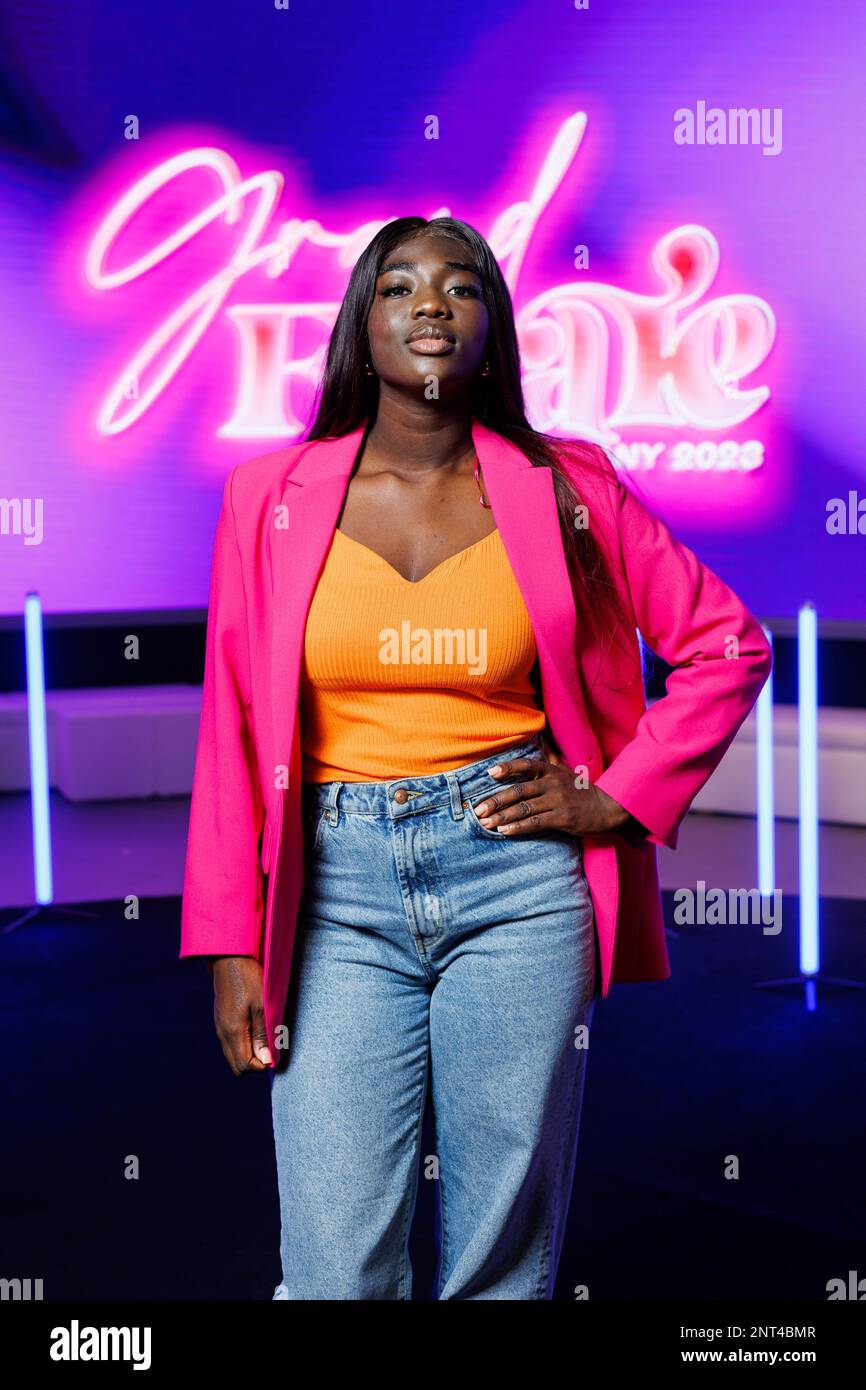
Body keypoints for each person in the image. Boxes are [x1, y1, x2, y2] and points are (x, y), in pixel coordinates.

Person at [180, 216, 773, 1300]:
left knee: (499, 1267)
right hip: (331, 893)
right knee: (330, 1270)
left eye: (460, 286)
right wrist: (227, 937)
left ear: (493, 329)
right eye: (399, 284)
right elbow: (231, 723)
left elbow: (725, 643)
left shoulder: (563, 485)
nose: (430, 303)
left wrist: (613, 798)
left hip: (517, 884)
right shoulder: (266, 498)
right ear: (361, 326)